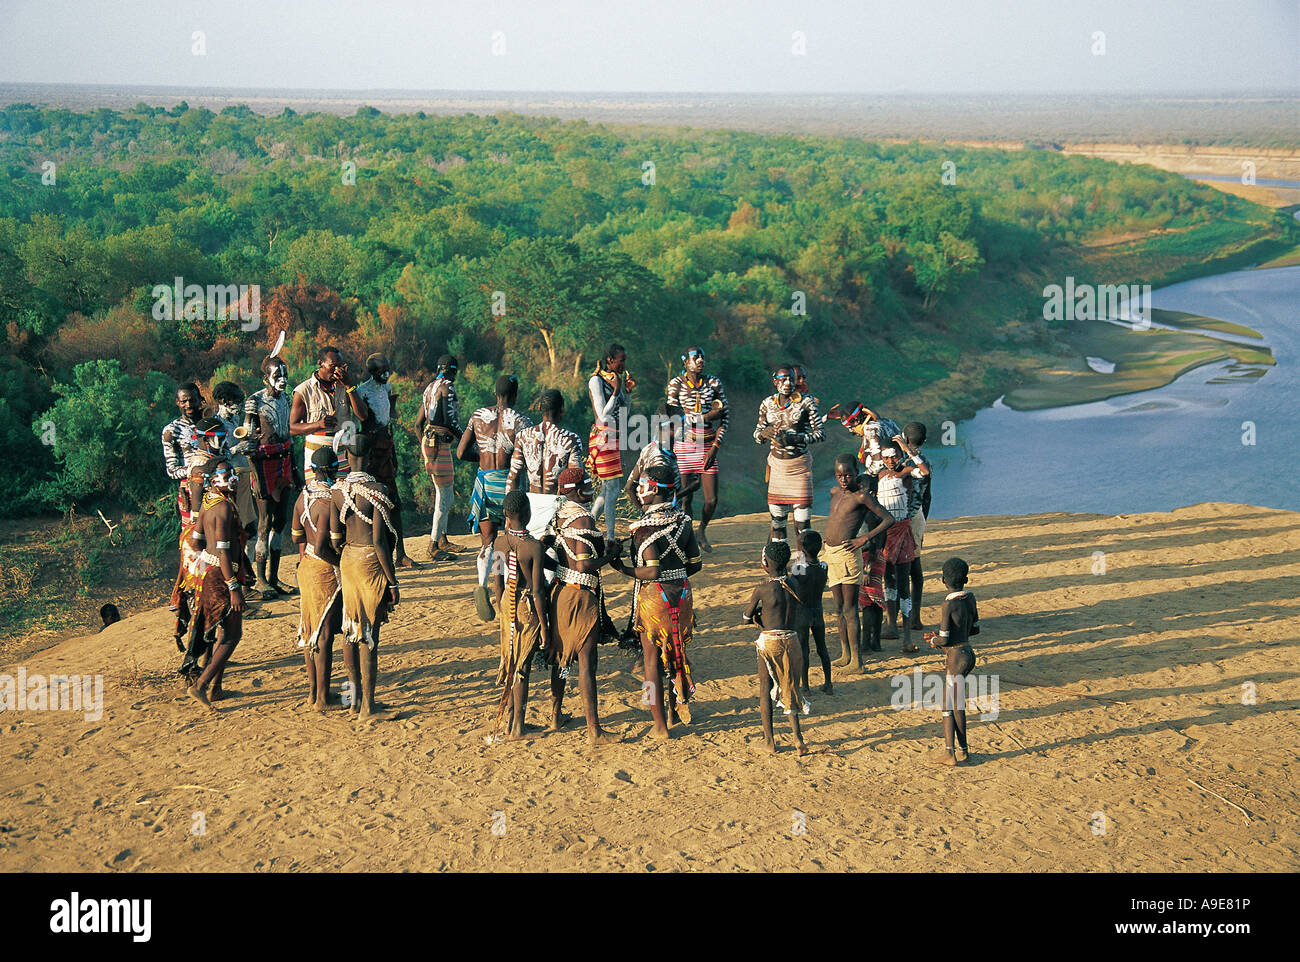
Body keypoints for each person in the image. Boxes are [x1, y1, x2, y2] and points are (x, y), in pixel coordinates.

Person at [606, 465, 702, 739]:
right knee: (676, 654)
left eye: (642, 485)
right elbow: (695, 563)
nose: (638, 489)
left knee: (651, 659)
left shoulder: (644, 529)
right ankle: (674, 711)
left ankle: (659, 725)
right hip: (682, 595)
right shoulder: (683, 522)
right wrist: (677, 573)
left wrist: (622, 569)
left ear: (654, 489)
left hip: (655, 598)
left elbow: (651, 571)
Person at [543, 468, 617, 745]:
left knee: (563, 659)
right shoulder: (582, 519)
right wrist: (610, 557)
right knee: (587, 663)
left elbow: (545, 551)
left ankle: (555, 715)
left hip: (560, 594)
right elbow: (585, 564)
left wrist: (563, 570)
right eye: (586, 483)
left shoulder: (559, 515)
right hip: (581, 598)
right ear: (574, 490)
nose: (590, 486)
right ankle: (594, 730)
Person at [331, 443, 400, 722]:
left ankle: (353, 700)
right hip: (370, 561)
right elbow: (379, 541)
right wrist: (392, 581)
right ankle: (368, 708)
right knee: (369, 633)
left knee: (351, 628)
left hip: (348, 559)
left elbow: (335, 537)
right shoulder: (377, 492)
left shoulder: (337, 491)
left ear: (347, 457)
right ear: (369, 456)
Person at [458, 374, 531, 619]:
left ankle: (482, 584)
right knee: (510, 541)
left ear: (495, 392)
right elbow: (526, 459)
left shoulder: (478, 416)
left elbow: (460, 452)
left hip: (486, 483)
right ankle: (503, 592)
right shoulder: (521, 421)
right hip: (510, 486)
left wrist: (481, 460)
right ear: (516, 394)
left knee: (488, 540)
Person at [184, 460, 254, 711]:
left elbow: (197, 539)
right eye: (227, 474)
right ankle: (201, 685)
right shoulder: (222, 508)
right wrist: (233, 587)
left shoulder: (208, 504)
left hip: (211, 575)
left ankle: (216, 688)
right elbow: (223, 551)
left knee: (222, 632)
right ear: (214, 479)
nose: (233, 477)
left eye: (233, 472)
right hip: (223, 579)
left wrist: (210, 563)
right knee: (233, 635)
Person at [823, 453, 895, 671]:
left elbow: (888, 519)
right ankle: (845, 654)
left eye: (848, 475)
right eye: (839, 475)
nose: (843, 479)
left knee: (850, 608)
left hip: (847, 555)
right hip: (831, 553)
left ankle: (857, 661)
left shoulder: (862, 497)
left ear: (857, 472)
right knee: (837, 609)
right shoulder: (834, 492)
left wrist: (864, 537)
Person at [490, 490, 552, 741]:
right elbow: (537, 591)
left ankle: (512, 723)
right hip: (526, 607)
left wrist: (501, 606)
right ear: (527, 513)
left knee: (513, 661)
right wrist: (545, 628)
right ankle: (518, 728)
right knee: (522, 666)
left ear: (506, 514)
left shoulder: (499, 543)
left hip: (508, 603)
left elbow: (497, 581)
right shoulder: (533, 547)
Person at [742, 539, 810, 754]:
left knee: (765, 689)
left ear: (765, 564)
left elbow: (745, 617)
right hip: (792, 639)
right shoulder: (794, 584)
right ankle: (798, 738)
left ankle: (770, 741)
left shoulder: (762, 588)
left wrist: (757, 618)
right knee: (790, 686)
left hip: (769, 642)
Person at [291, 446, 344, 712]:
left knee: (310, 630)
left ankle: (314, 692)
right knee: (324, 635)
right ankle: (322, 698)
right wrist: (341, 565)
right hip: (323, 569)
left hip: (307, 565)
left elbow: (296, 536)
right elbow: (325, 546)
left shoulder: (303, 497)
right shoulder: (327, 503)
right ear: (332, 469)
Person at [753, 364, 823, 549]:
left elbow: (820, 434)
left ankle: (804, 566)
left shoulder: (806, 402)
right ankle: (780, 565)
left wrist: (796, 437)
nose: (788, 383)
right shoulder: (767, 403)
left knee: (803, 526)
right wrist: (764, 434)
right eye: (783, 379)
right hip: (778, 468)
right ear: (775, 382)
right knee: (778, 522)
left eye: (791, 379)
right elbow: (757, 433)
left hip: (799, 468)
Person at [356, 353, 416, 568]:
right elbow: (361, 422)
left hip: (386, 446)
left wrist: (394, 454)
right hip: (370, 452)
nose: (386, 373)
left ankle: (401, 553)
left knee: (395, 502)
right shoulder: (362, 392)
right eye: (381, 370)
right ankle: (376, 554)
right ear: (372, 372)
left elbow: (389, 421)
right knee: (372, 502)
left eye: (388, 368)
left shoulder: (388, 389)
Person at [245, 355, 297, 599]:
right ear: (265, 377)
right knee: (264, 523)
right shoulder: (254, 402)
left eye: (285, 375)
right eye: (277, 376)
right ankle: (261, 579)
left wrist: (294, 468)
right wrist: (255, 475)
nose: (283, 380)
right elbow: (247, 441)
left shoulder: (287, 398)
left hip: (284, 462)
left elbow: (290, 436)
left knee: (281, 522)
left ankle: (274, 577)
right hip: (264, 466)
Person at [665, 347, 728, 552]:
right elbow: (673, 417)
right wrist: (708, 417)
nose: (700, 360)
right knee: (685, 498)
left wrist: (715, 448)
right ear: (685, 362)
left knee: (712, 499)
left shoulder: (714, 383)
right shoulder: (676, 384)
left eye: (702, 356)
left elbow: (725, 417)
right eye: (695, 357)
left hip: (709, 446)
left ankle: (702, 529)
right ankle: (688, 537)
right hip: (683, 446)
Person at [508, 388, 585, 539]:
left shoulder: (523, 436)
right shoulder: (571, 439)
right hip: (558, 507)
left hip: (529, 506)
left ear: (540, 409)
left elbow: (513, 477)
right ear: (561, 410)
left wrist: (509, 516)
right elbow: (575, 480)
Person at [875, 439, 929, 653]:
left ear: (900, 455)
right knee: (888, 580)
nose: (890, 460)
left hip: (903, 531)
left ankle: (907, 636)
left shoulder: (907, 471)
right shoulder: (878, 475)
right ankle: (891, 625)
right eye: (886, 457)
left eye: (894, 456)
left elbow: (924, 471)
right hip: (886, 533)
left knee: (903, 582)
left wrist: (908, 451)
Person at [924, 557, 979, 766]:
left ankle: (950, 753)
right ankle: (963, 750)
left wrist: (934, 640)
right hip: (968, 653)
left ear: (943, 580)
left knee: (948, 706)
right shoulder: (970, 598)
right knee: (957, 704)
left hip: (956, 658)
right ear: (966, 578)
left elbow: (945, 638)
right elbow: (975, 629)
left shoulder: (948, 604)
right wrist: (943, 640)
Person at [291, 345, 369, 484]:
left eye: (340, 366)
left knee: (342, 496)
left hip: (343, 450)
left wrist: (349, 385)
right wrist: (318, 424)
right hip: (316, 451)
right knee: (319, 495)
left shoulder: (345, 385)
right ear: (320, 363)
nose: (337, 370)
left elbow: (363, 416)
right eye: (333, 366)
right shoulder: (303, 390)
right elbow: (292, 428)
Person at [416, 354, 463, 560]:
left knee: (447, 494)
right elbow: (451, 421)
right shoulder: (448, 388)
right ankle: (433, 545)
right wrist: (466, 440)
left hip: (431, 443)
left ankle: (442, 539)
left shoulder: (430, 388)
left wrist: (424, 447)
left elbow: (418, 424)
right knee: (444, 496)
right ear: (453, 371)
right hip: (439, 445)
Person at [587, 343, 633, 542]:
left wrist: (627, 393)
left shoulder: (616, 382)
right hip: (603, 436)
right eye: (621, 360)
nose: (624, 364)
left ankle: (588, 526)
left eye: (624, 360)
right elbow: (603, 417)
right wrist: (616, 391)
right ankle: (611, 539)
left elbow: (624, 414)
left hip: (614, 436)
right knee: (612, 489)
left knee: (608, 489)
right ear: (610, 361)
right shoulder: (596, 381)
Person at [211, 381, 259, 561]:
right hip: (231, 481)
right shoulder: (217, 424)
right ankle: (240, 570)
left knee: (249, 527)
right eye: (236, 401)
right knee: (240, 528)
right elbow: (217, 455)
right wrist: (238, 448)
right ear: (224, 401)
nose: (240, 405)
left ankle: (248, 570)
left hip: (244, 478)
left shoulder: (233, 421)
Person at [626, 402, 698, 506]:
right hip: (665, 518)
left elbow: (629, 487)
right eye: (682, 426)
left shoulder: (650, 448)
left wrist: (645, 513)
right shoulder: (660, 459)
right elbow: (661, 498)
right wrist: (690, 488)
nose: (686, 429)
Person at [791, 529, 832, 695]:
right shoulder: (823, 566)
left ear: (802, 549)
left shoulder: (800, 568)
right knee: (822, 648)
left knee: (804, 649)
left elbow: (793, 582)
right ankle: (828, 684)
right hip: (818, 610)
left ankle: (806, 687)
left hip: (802, 612)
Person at [161, 382, 206, 532]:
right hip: (190, 489)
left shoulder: (211, 424)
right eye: (183, 401)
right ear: (177, 402)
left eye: (192, 400)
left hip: (218, 485)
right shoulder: (171, 430)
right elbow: (171, 470)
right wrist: (195, 470)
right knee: (193, 538)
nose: (188, 405)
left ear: (200, 399)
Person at [903, 421, 933, 631]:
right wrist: (924, 519)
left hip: (896, 517)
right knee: (916, 565)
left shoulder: (896, 460)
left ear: (904, 438)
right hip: (916, 517)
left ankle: (898, 616)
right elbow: (927, 496)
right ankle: (915, 616)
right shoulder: (924, 462)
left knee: (897, 567)